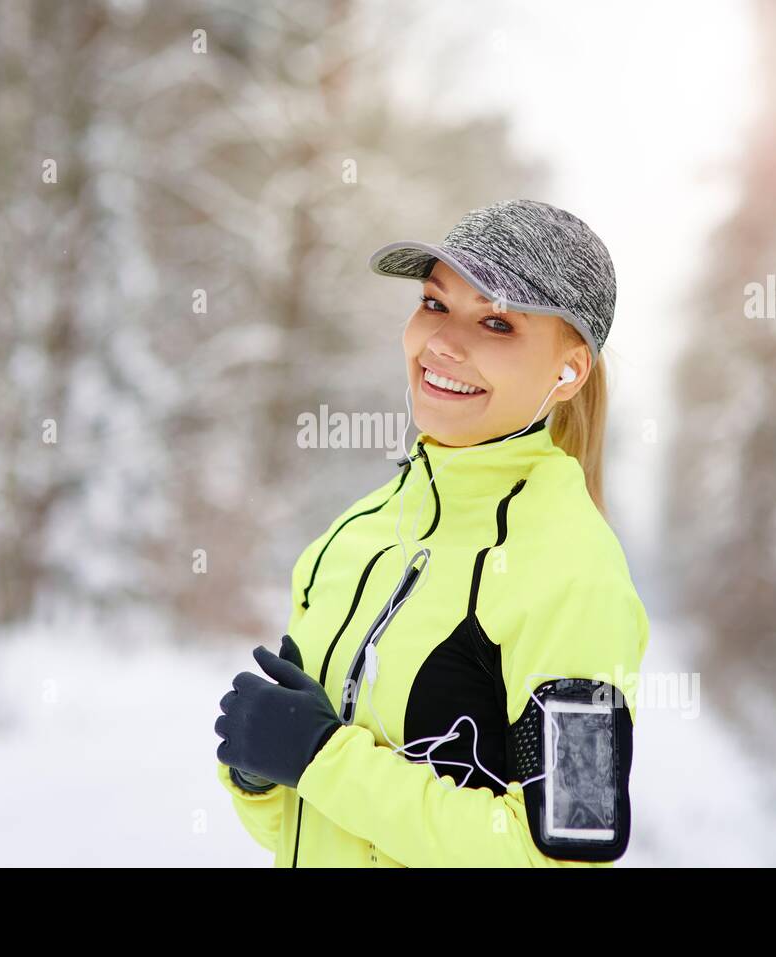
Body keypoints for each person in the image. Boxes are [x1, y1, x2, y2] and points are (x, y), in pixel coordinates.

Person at [214, 199, 650, 867]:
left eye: (497, 322)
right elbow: (305, 830)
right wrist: (260, 773)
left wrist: (323, 759)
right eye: (435, 304)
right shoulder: (352, 536)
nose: (443, 343)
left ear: (569, 371)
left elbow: (561, 852)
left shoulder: (573, 571)